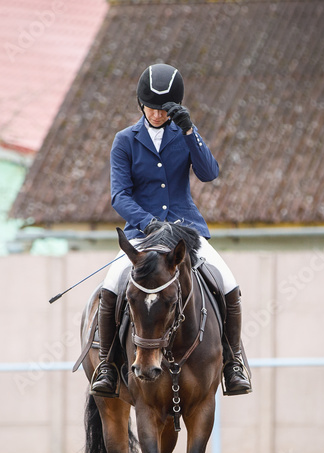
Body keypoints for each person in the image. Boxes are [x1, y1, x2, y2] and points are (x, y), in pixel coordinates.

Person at [90, 63, 252, 398]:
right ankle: (106, 364)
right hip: (142, 232)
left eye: (164, 110)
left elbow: (209, 173)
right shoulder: (125, 141)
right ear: (140, 105)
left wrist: (190, 131)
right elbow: (120, 195)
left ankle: (233, 362)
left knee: (228, 282)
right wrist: (148, 222)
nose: (157, 114)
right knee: (111, 284)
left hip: (185, 233)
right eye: (151, 108)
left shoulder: (183, 135)